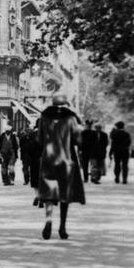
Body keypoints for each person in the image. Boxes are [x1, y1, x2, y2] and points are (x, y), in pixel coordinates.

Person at [36, 94, 85, 240]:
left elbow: (39, 139)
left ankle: (48, 220)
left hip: (48, 159)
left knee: (49, 193)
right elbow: (78, 139)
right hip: (65, 159)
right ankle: (62, 227)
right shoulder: (70, 118)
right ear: (65, 104)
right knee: (65, 194)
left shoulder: (44, 118)